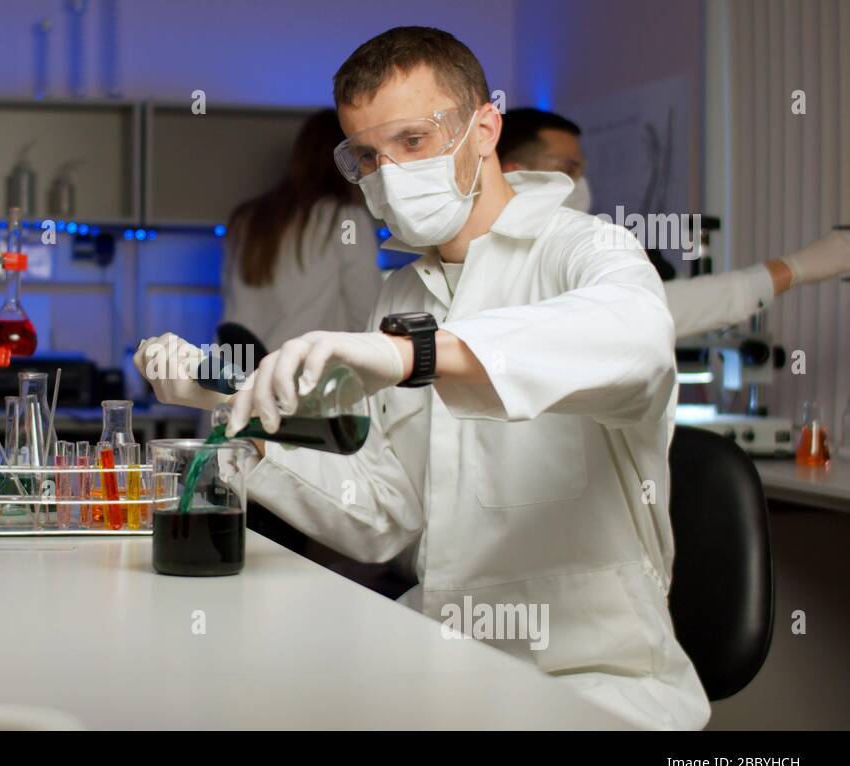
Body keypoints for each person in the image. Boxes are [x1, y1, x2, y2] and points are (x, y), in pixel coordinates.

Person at [138, 26, 711, 730]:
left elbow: (635, 340)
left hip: (590, 680)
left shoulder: (585, 247)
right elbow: (385, 513)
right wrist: (237, 409)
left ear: (484, 128)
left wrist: (421, 355)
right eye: (370, 156)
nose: (390, 174)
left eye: (413, 141)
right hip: (444, 657)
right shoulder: (400, 295)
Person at [498, 107, 850, 338]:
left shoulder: (579, 244)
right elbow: (659, 309)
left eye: (583, 171)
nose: (582, 184)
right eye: (567, 169)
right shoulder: (502, 258)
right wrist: (794, 269)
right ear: (513, 173)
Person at [220, 109, 383, 352]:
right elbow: (368, 316)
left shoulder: (248, 220)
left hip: (248, 378)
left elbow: (236, 318)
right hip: (310, 379)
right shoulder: (345, 218)